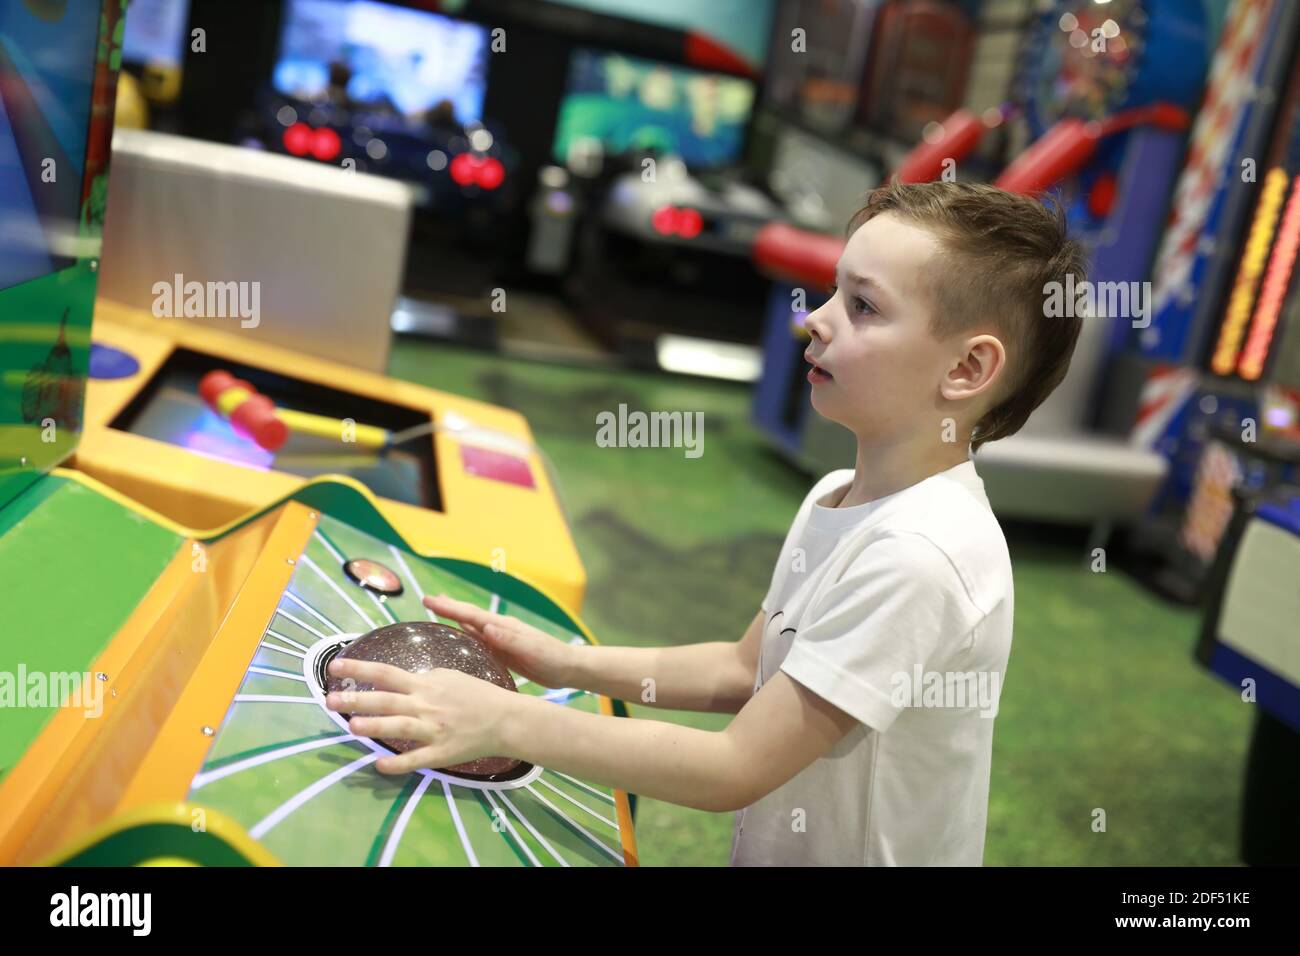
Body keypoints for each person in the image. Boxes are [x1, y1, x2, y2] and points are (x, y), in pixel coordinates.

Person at [326, 180, 1088, 865]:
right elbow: (741, 671)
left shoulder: (923, 556)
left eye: (862, 306)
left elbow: (734, 769)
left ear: (966, 370)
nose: (814, 321)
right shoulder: (839, 491)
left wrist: (506, 722)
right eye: (831, 293)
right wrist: (565, 665)